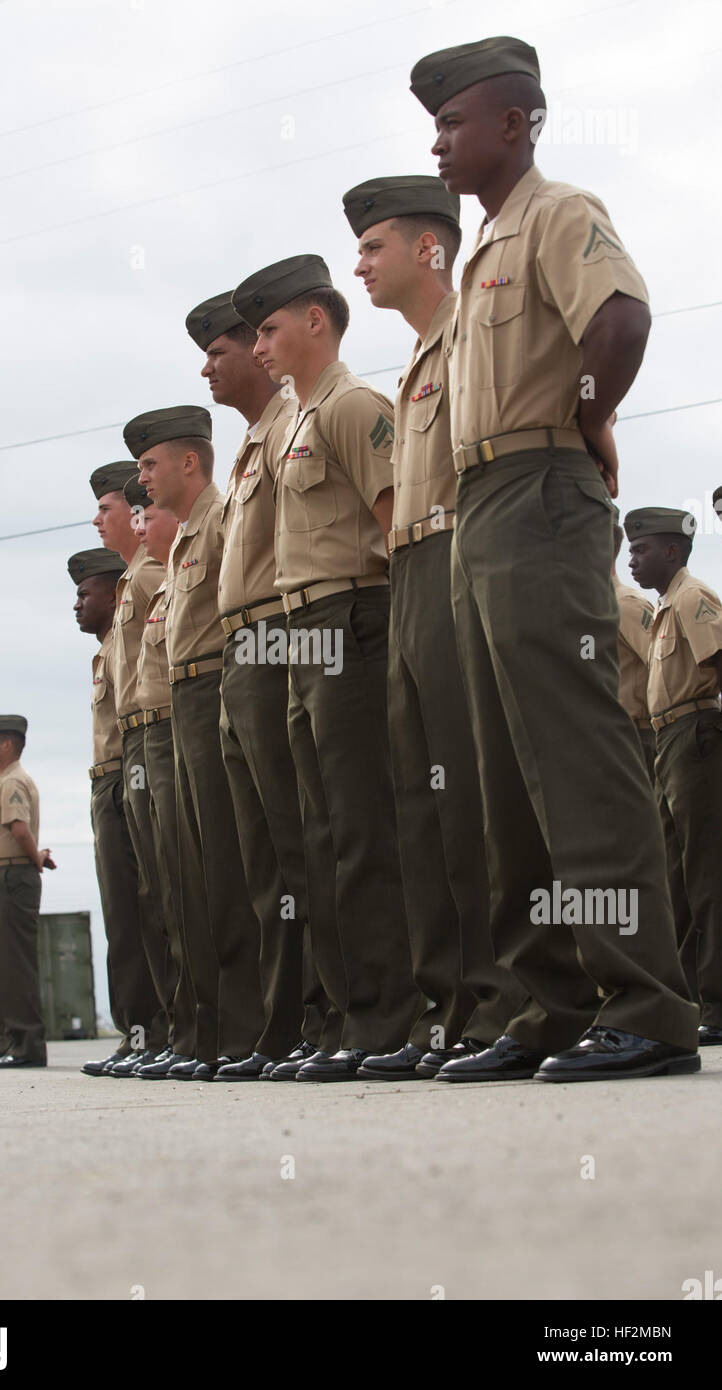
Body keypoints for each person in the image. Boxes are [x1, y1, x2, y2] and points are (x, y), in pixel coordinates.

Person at [409, 34, 698, 1081]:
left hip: (537, 490)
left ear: (514, 124)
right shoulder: (485, 248)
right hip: (480, 506)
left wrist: (584, 417)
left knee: (571, 755)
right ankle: (547, 1003)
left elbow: (618, 321)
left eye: (451, 123)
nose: (437, 143)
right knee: (499, 770)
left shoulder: (556, 212)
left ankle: (646, 1004)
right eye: (432, 125)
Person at [342, 174, 525, 1081]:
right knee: (421, 806)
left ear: (429, 249)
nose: (360, 265)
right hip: (408, 569)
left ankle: (508, 1001)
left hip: (458, 553)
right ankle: (452, 1011)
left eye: (373, 246)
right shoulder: (416, 361)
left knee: (476, 798)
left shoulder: (469, 339)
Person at [232, 255, 420, 1081]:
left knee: (361, 830)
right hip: (302, 630)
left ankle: (389, 1021)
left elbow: (397, 528)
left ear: (317, 321)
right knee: (320, 836)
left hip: (352, 618)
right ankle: (350, 1017)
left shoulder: (350, 407)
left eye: (269, 329)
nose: (260, 345)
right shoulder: (297, 425)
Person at [186, 291, 332, 1080]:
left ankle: (328, 1014)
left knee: (300, 838)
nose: (209, 367)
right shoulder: (254, 444)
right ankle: (283, 1028)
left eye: (220, 350)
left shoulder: (293, 428)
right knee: (263, 860)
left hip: (282, 635)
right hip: (245, 647)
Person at [126, 404, 265, 1079]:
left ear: (188, 462)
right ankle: (206, 1034)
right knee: (192, 877)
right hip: (184, 699)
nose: (142, 479)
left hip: (215, 688)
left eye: (150, 464)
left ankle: (243, 1032)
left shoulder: (223, 514)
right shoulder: (182, 543)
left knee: (229, 871)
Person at [85, 462, 171, 1075]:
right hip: (126, 761)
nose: (99, 520)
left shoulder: (149, 580)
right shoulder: (131, 592)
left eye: (108, 507)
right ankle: (148, 1033)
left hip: (153, 746)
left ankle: (176, 1031)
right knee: (132, 913)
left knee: (162, 901)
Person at [625, 506, 722, 1046]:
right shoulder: (664, 609)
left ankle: (718, 1005)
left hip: (697, 734)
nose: (632, 559)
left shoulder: (691, 597)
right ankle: (688, 998)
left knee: (707, 876)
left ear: (673, 551)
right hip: (669, 741)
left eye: (642, 550)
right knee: (676, 881)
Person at [131, 498, 202, 1079]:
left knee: (203, 879)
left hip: (182, 717)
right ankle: (184, 1033)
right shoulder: (156, 579)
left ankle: (214, 1032)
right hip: (150, 735)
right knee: (162, 893)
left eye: (140, 512)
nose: (133, 524)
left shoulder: (154, 576)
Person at [0, 715, 54, 1069]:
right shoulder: (0, 782)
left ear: (8, 745)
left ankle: (27, 1045)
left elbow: (21, 830)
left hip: (12, 877)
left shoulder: (13, 781)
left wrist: (35, 860)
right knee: (0, 960)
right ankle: (12, 1040)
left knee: (15, 962)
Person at [612, 522, 656, 780]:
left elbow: (663, 667)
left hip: (636, 738)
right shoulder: (592, 612)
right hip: (605, 737)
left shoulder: (626, 605)